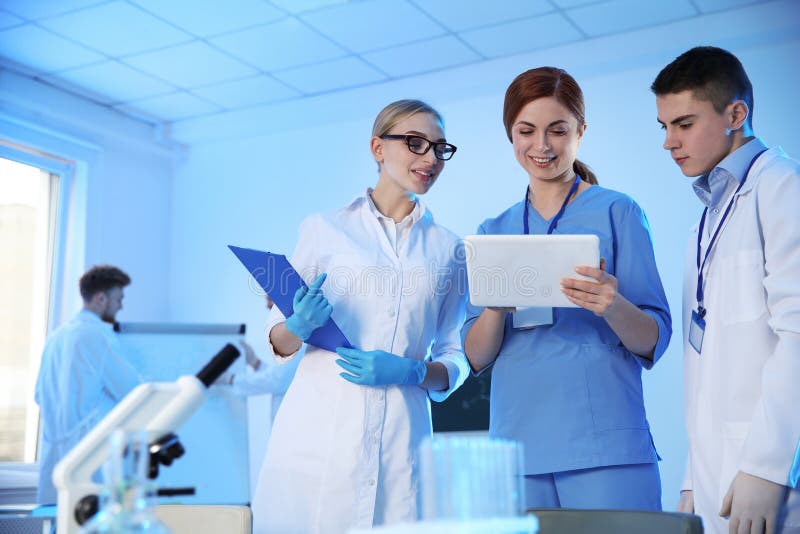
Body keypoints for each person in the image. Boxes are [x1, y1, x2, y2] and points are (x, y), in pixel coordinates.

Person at [250, 99, 469, 533]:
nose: (429, 159)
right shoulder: (323, 229)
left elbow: (455, 356)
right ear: (377, 148)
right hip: (318, 438)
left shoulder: (449, 248)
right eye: (415, 143)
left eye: (439, 149)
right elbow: (275, 340)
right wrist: (297, 326)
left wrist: (412, 370)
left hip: (400, 443)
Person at [462, 67, 672, 510]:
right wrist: (496, 310)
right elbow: (476, 355)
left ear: (581, 131)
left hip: (605, 448)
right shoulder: (492, 231)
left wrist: (611, 304)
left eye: (558, 130)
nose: (542, 146)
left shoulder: (618, 212)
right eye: (527, 131)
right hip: (517, 450)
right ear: (511, 135)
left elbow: (653, 339)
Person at [653, 46, 800, 534]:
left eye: (685, 123)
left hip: (770, 472)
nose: (670, 142)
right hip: (718, 475)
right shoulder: (710, 213)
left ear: (736, 114)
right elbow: (704, 355)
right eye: (665, 127)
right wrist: (694, 477)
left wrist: (768, 464)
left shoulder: (782, 187)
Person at [34, 265, 142, 504]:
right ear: (101, 298)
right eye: (118, 299)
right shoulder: (96, 336)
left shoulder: (55, 337)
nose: (120, 306)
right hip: (89, 464)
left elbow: (39, 395)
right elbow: (133, 391)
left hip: (55, 464)